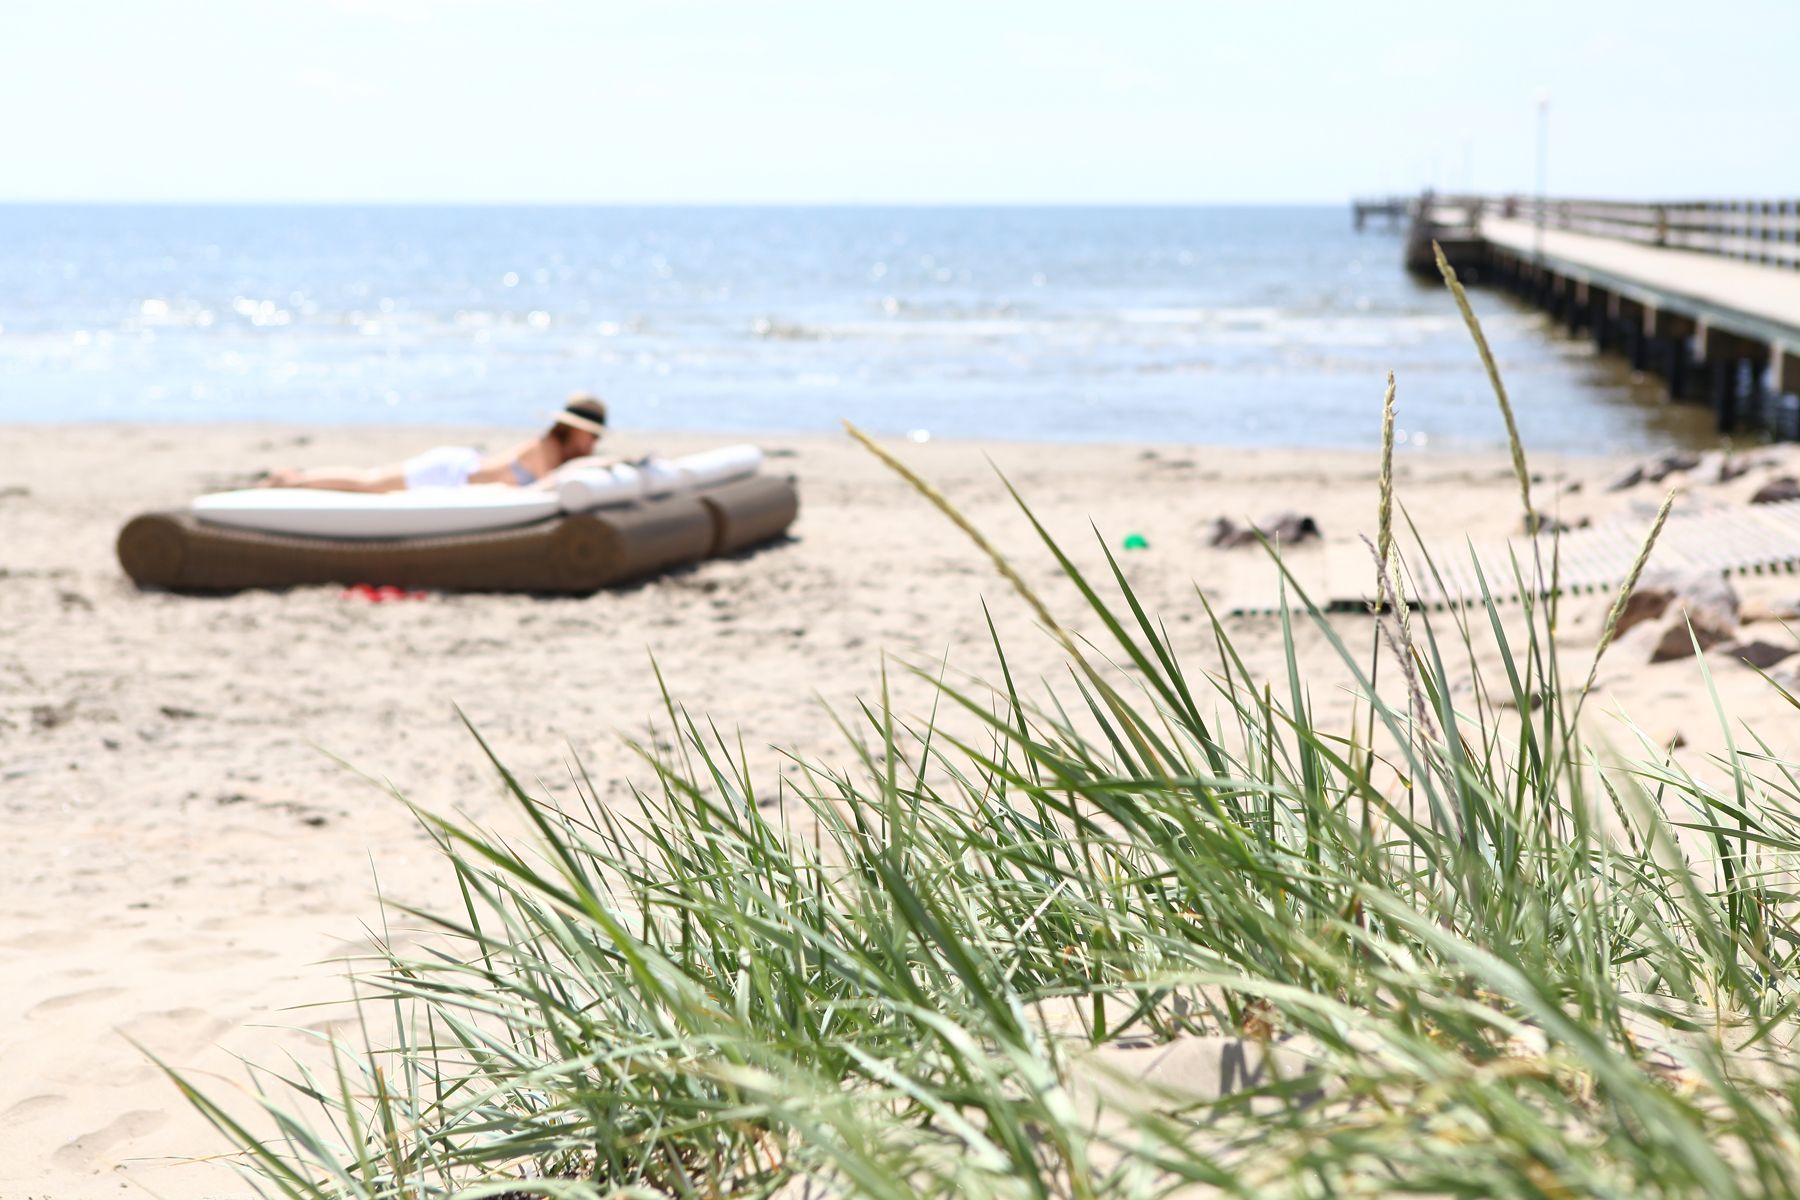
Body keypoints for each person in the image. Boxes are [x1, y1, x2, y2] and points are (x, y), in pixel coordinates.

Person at [261, 394, 611, 492]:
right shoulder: (544, 450)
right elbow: (549, 486)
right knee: (368, 482)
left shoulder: (558, 455)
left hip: (461, 467)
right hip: (448, 474)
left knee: (370, 480)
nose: (592, 443)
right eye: (590, 436)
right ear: (573, 431)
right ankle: (294, 479)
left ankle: (297, 477)